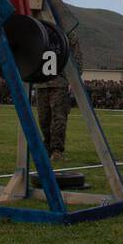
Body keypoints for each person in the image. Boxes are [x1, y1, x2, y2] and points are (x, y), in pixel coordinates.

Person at [33, 31, 82, 163]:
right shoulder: (40, 29)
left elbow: (76, 56)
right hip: (41, 81)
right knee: (43, 118)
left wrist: (74, 79)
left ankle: (57, 151)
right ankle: (47, 148)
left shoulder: (68, 32)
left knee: (58, 118)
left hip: (59, 82)